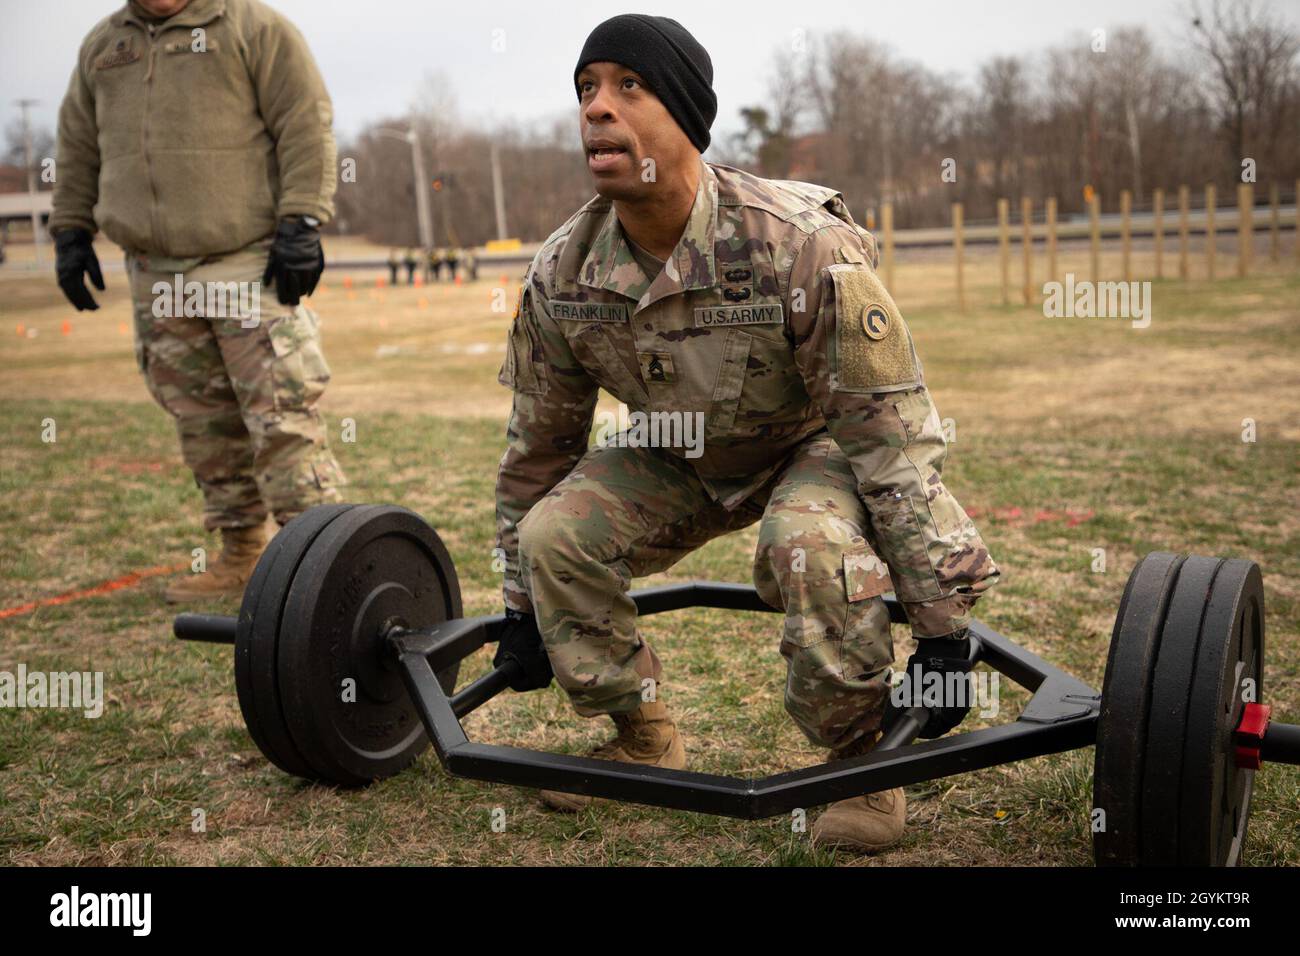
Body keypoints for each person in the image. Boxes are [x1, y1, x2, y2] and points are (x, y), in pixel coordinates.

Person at [491, 14, 999, 852]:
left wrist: (943, 630)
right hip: (682, 454)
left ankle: (864, 766)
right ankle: (644, 734)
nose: (596, 110)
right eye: (585, 90)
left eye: (628, 87)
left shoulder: (801, 244)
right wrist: (519, 602)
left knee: (807, 544)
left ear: (686, 116)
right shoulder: (563, 270)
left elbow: (889, 443)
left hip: (812, 444)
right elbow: (537, 450)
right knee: (555, 536)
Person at [49, 0, 346, 603]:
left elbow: (305, 123)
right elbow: (78, 145)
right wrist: (70, 230)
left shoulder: (255, 29)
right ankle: (241, 553)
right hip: (156, 274)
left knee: (281, 418)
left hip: (246, 260)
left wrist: (302, 219)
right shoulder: (104, 46)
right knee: (204, 426)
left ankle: (317, 564)